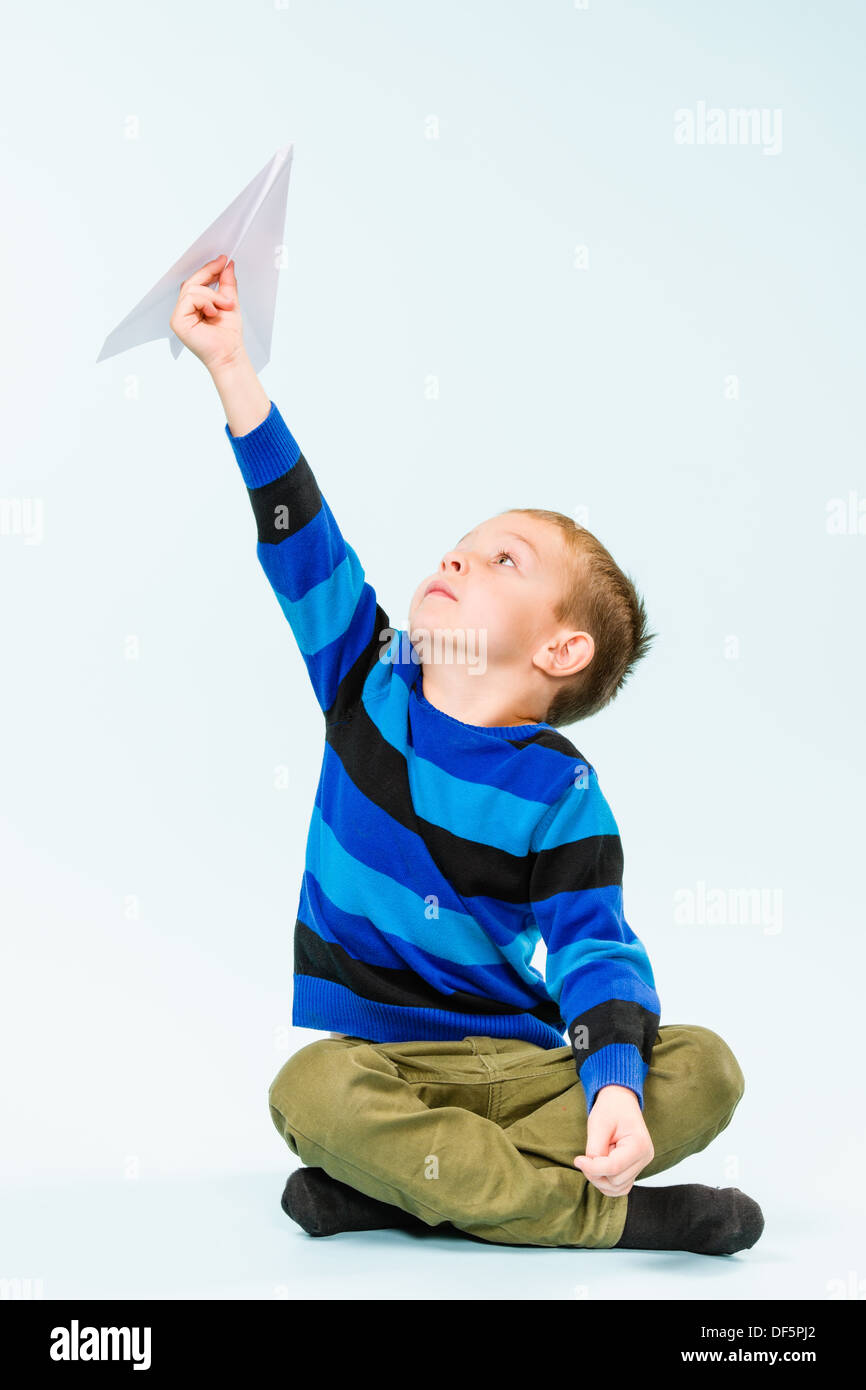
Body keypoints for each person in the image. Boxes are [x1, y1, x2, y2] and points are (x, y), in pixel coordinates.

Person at [168, 254, 764, 1255]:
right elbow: (298, 538)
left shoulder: (558, 789)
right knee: (306, 1091)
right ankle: (605, 1218)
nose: (456, 556)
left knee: (705, 1068)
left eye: (502, 561)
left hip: (525, 1067)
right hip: (386, 1069)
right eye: (461, 543)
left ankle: (401, 1194)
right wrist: (230, 365)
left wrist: (611, 1086)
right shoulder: (366, 672)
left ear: (558, 649)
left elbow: (592, 947)